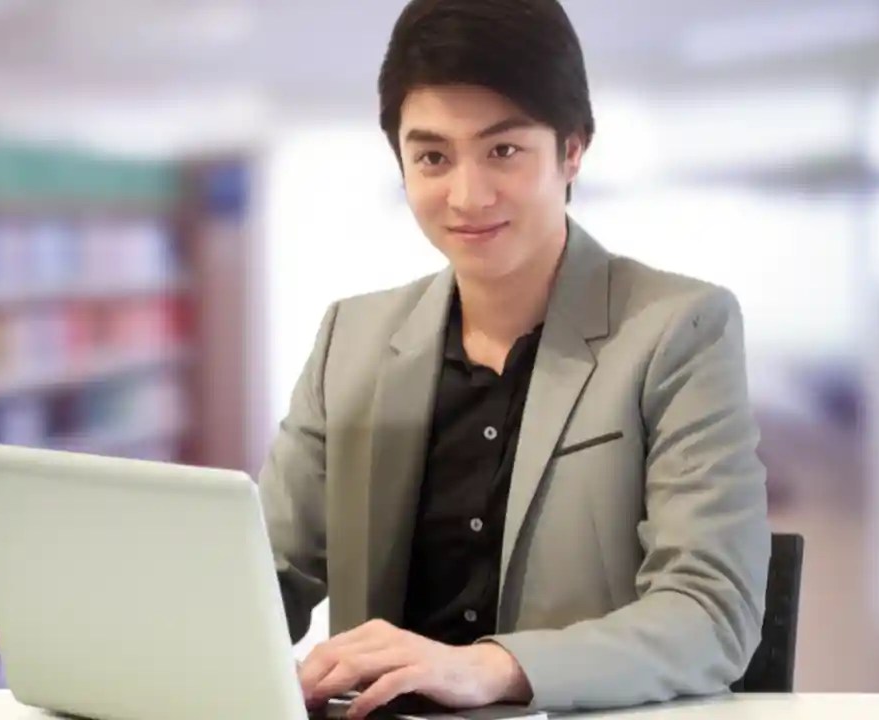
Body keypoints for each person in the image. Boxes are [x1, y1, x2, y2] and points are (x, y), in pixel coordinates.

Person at [257, 0, 771, 716]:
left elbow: (713, 613)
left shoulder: (680, 329)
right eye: (432, 156)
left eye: (503, 150)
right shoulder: (353, 338)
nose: (467, 196)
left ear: (572, 149)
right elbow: (262, 579)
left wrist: (492, 668)